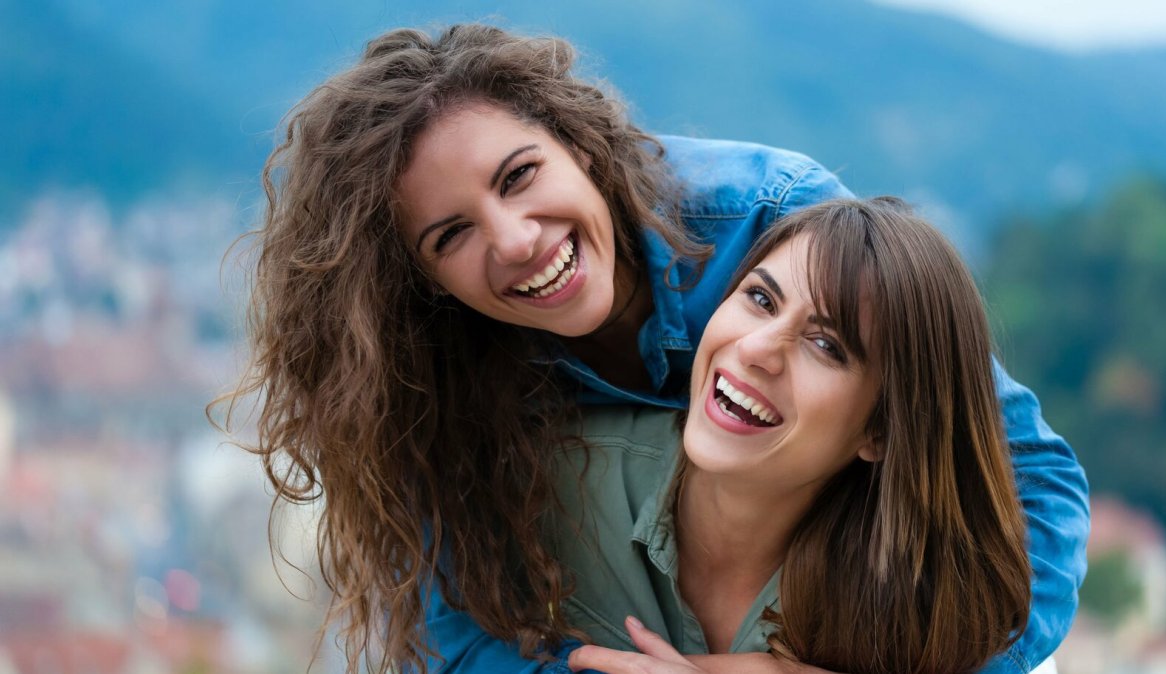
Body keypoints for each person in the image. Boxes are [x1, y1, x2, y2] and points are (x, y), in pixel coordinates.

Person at [214, 23, 1087, 674]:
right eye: (452, 235)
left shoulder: (776, 225)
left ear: (581, 145)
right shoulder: (437, 379)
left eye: (520, 176)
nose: (515, 239)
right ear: (425, 285)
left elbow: (1031, 485)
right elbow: (458, 630)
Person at [542, 197, 1031, 674]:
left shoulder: (920, 603)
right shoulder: (551, 481)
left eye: (825, 345)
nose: (756, 349)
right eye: (761, 299)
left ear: (881, 431)